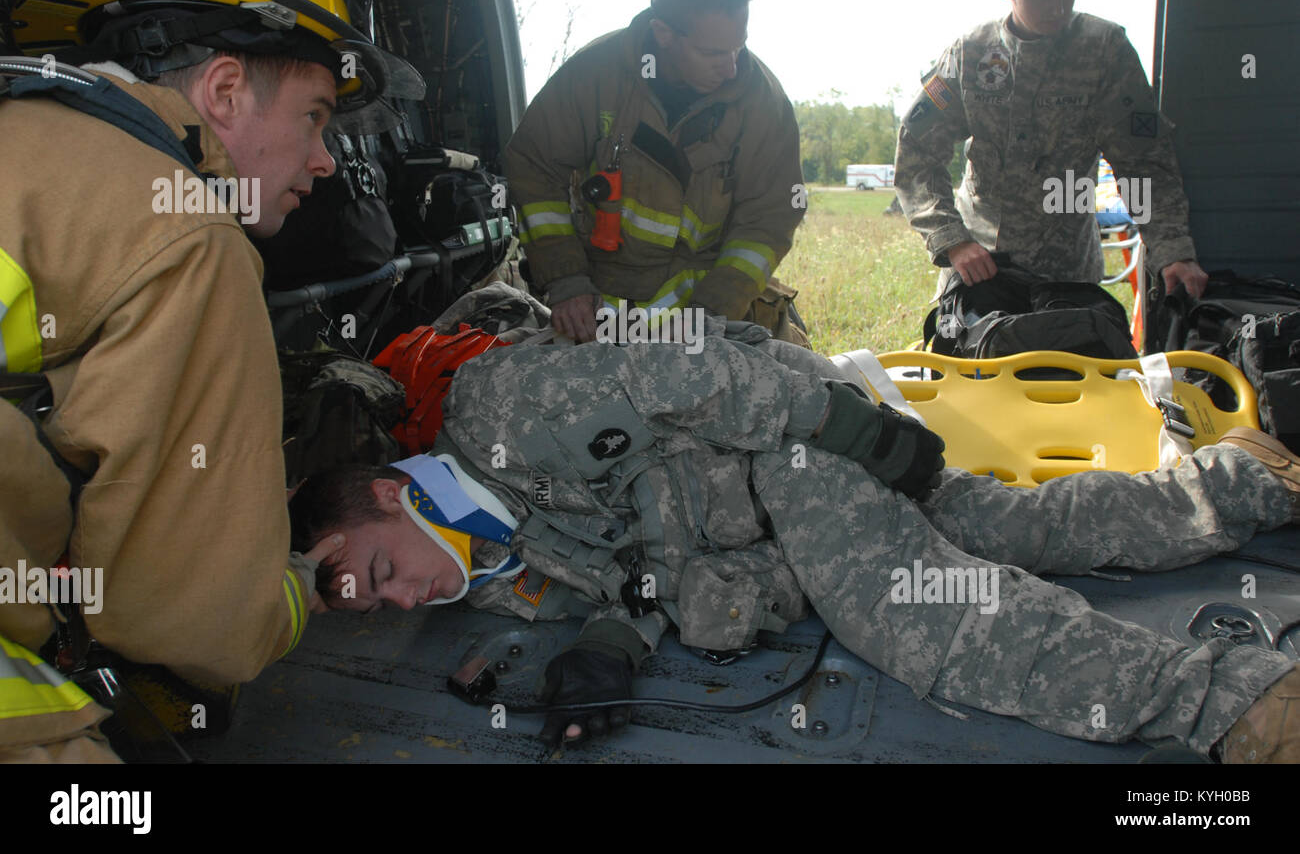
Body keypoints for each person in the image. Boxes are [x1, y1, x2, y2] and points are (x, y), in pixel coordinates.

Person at [292, 322, 1300, 762]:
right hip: (759, 511)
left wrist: (844, 425)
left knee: (906, 608)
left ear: (394, 494)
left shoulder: (496, 410)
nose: (396, 599)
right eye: (371, 604)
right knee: (1008, 525)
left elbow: (692, 372)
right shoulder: (500, 570)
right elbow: (637, 577)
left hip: (785, 429)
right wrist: (618, 642)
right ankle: (1249, 480)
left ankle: (1238, 704)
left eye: (377, 570)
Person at [0, 0, 422, 761]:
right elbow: (190, 617)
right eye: (313, 117)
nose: (327, 160)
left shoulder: (28, 133)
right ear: (225, 91)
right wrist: (299, 588)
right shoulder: (191, 231)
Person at [503, 0, 807, 345]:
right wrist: (567, 280)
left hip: (710, 312)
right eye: (713, 52)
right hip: (599, 314)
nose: (731, 67)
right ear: (664, 33)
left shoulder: (763, 102)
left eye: (739, 46)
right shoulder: (595, 76)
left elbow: (770, 218)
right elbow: (534, 167)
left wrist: (712, 314)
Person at [894, 0, 1209, 300]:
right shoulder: (970, 55)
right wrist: (952, 240)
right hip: (980, 271)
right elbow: (916, 152)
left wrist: (1172, 249)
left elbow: (1143, 162)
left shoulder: (1103, 51)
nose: (1059, 8)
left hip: (1068, 277)